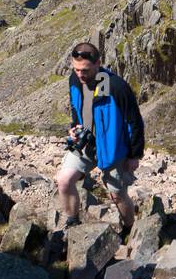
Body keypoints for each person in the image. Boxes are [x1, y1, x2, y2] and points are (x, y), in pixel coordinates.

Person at [57, 42, 144, 233]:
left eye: (85, 70)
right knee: (64, 180)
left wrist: (134, 156)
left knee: (117, 195)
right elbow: (75, 108)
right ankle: (72, 222)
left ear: (98, 64)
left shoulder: (117, 87)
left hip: (113, 148)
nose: (80, 74)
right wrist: (74, 128)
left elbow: (135, 122)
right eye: (77, 69)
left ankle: (129, 230)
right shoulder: (74, 80)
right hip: (85, 143)